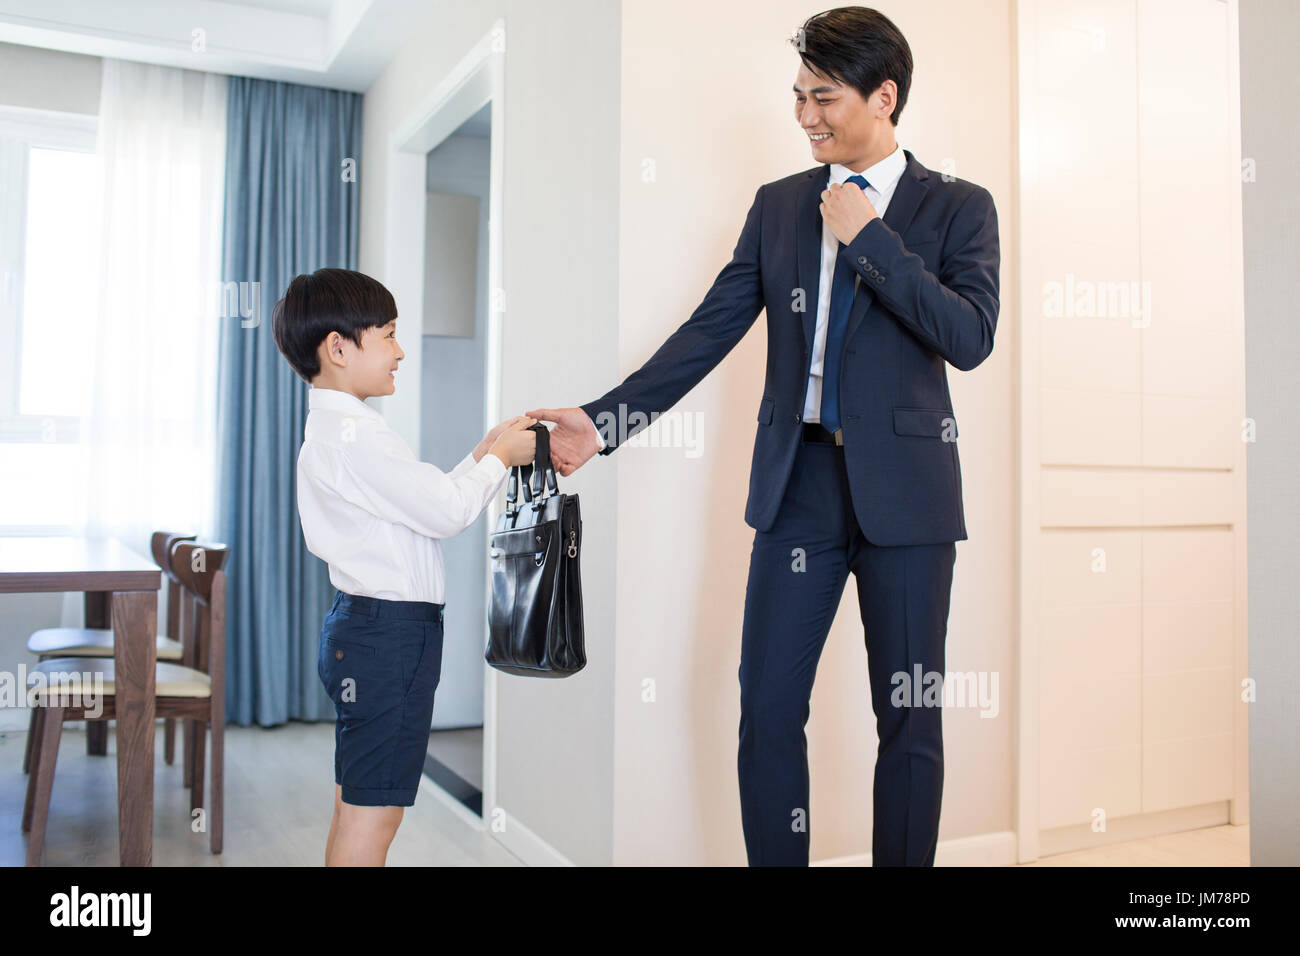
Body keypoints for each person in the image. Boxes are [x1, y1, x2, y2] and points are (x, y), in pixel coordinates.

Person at [528, 7, 999, 865]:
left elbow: (969, 339)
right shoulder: (780, 207)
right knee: (769, 709)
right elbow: (710, 330)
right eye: (797, 96)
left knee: (911, 717)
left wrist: (874, 243)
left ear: (884, 96)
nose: (806, 115)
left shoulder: (960, 207)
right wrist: (604, 424)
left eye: (823, 96)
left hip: (912, 502)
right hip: (799, 489)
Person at [272, 267, 537, 866]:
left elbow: (422, 504)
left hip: (361, 630)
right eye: (387, 334)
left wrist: (482, 452)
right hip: (389, 639)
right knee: (375, 816)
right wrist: (499, 460)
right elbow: (446, 515)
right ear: (339, 348)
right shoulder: (359, 438)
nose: (399, 351)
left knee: (355, 805)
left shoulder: (338, 431)